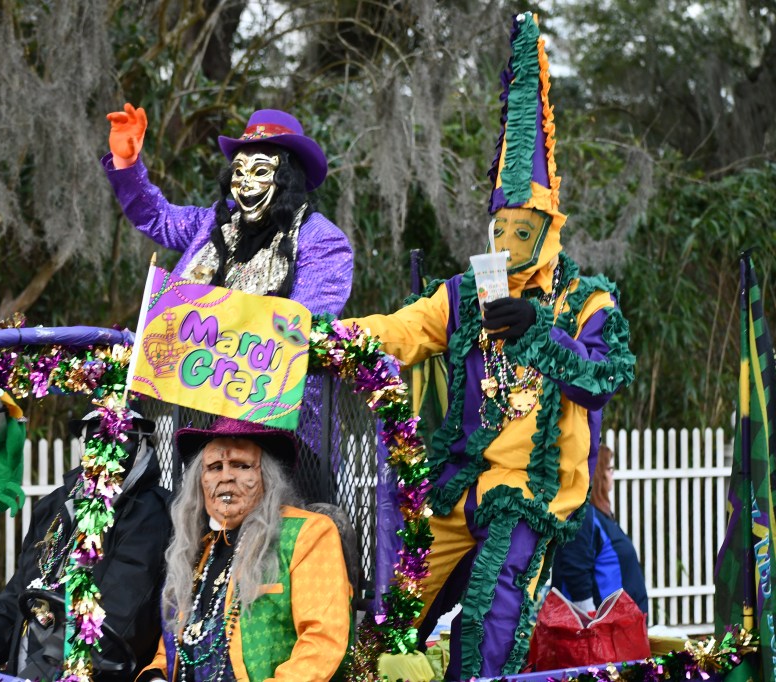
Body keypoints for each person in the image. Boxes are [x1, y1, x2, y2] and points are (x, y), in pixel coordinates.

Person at [342, 12, 635, 679]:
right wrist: (330, 337)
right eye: (497, 227)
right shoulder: (468, 294)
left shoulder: (587, 300)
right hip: (458, 483)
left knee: (487, 616)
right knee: (389, 610)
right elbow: (407, 328)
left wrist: (539, 331)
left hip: (530, 492)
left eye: (520, 228)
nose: (504, 242)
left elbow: (602, 377)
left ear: (548, 230)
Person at [0, 412, 171, 681]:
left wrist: (48, 671)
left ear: (143, 444)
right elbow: (16, 597)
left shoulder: (151, 513)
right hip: (28, 667)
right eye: (96, 438)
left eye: (120, 438)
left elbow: (121, 618)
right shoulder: (54, 506)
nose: (106, 450)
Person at [138, 416, 352, 681]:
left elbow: (322, 643)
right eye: (215, 467)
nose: (226, 476)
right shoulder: (201, 550)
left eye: (241, 465)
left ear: (266, 476)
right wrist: (156, 674)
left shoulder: (309, 534)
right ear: (200, 482)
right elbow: (181, 643)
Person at [103, 105, 353, 317]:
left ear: (289, 178)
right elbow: (158, 217)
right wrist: (126, 163)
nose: (244, 183)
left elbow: (304, 329)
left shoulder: (323, 240)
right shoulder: (216, 222)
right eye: (239, 171)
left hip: (264, 371)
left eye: (260, 171)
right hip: (185, 364)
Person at [552, 445, 649, 613]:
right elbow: (576, 572)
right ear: (598, 473)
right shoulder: (583, 516)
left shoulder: (599, 516)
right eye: (609, 468)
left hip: (618, 630)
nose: (612, 474)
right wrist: (591, 625)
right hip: (601, 631)